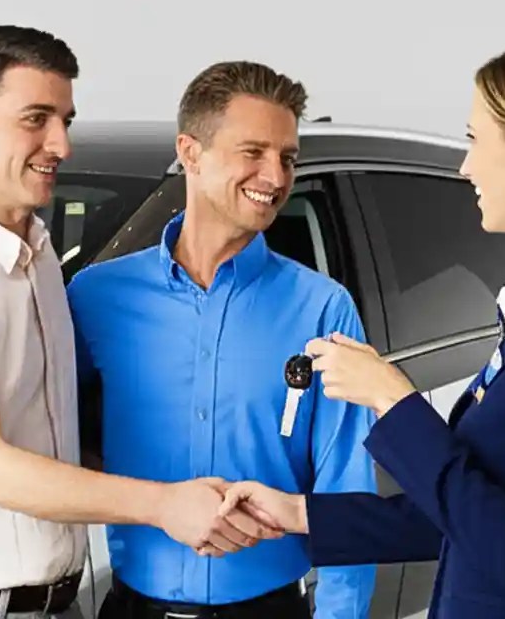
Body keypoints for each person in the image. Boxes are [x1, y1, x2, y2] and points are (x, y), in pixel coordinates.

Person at [221, 34, 505, 618]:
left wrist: (393, 399)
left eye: (474, 140)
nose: (465, 166)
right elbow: (470, 515)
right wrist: (297, 514)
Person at [0, 26, 277, 619]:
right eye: (36, 118)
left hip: (58, 604)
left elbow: (66, 429)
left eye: (66, 120)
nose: (60, 144)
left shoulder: (39, 257)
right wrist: (163, 505)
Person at [67, 61, 379, 619]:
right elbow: (56, 435)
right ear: (190, 152)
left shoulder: (323, 308)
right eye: (253, 152)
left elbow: (344, 488)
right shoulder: (96, 299)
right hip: (129, 607)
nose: (276, 177)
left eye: (287, 158)